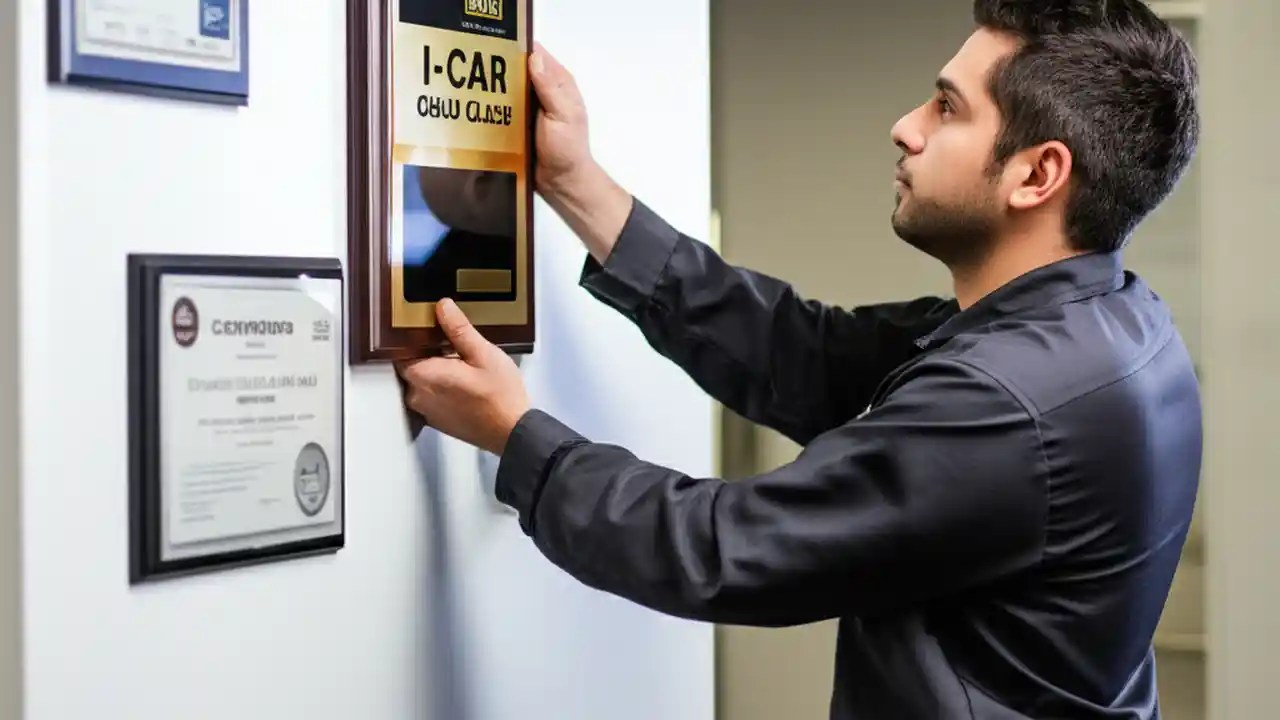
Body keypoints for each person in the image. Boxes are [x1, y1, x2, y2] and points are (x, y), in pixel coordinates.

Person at [395, 0, 1202, 717]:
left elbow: (723, 550)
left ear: (1038, 174)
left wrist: (516, 434)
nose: (907, 125)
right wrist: (579, 185)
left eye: (948, 108)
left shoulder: (1013, 399)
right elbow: (809, 357)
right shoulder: (1112, 321)